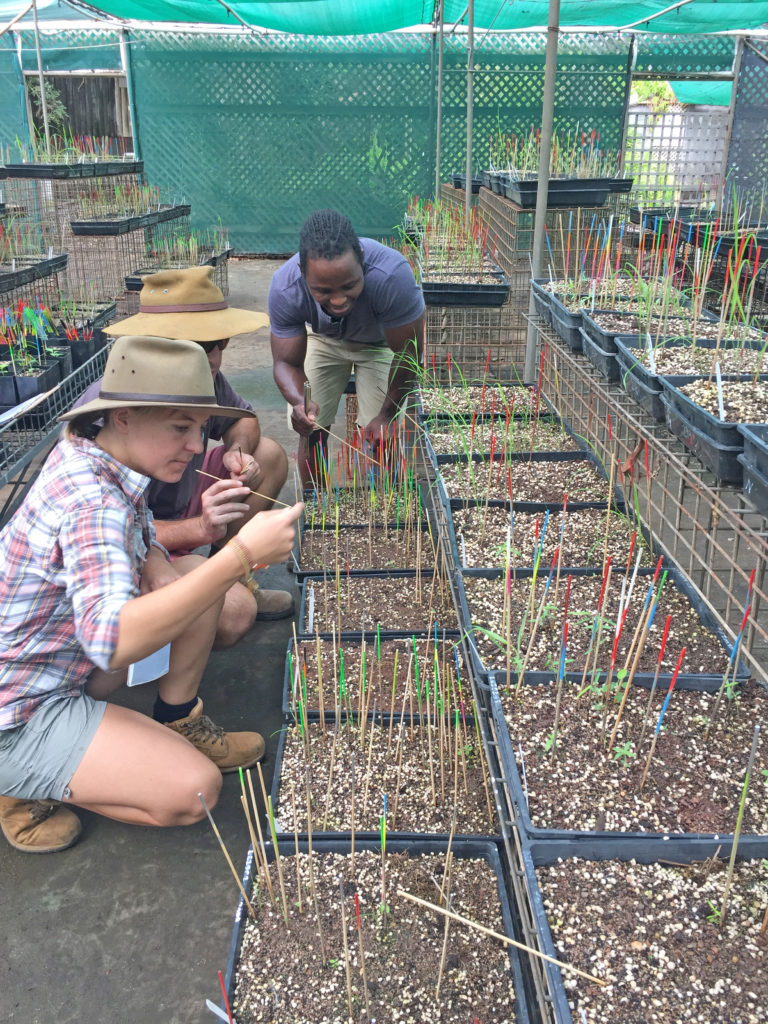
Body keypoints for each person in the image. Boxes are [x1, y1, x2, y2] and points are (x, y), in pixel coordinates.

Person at [0, 335, 303, 854]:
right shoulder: (92, 503)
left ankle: (177, 717)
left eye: (200, 429)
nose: (194, 446)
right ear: (123, 417)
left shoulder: (98, 455)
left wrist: (184, 560)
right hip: (20, 708)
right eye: (180, 428)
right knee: (195, 792)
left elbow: (146, 550)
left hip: (57, 664)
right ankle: (16, 784)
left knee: (190, 586)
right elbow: (112, 641)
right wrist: (238, 558)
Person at [84, 265, 293, 647]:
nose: (214, 357)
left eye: (220, 342)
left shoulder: (204, 378)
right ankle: (215, 581)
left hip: (169, 516)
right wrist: (198, 529)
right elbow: (119, 529)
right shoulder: (105, 426)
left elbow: (243, 420)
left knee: (269, 454)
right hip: (136, 544)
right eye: (202, 346)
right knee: (232, 615)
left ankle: (227, 574)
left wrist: (237, 450)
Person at [269, 209, 424, 484]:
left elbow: (409, 353)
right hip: (324, 339)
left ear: (362, 265)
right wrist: (298, 402)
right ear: (303, 274)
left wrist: (386, 415)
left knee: (380, 437)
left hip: (379, 344)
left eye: (349, 286)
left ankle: (387, 514)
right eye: (324, 291)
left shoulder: (391, 275)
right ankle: (316, 508)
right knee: (312, 428)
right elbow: (286, 363)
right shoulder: (286, 287)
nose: (339, 300)